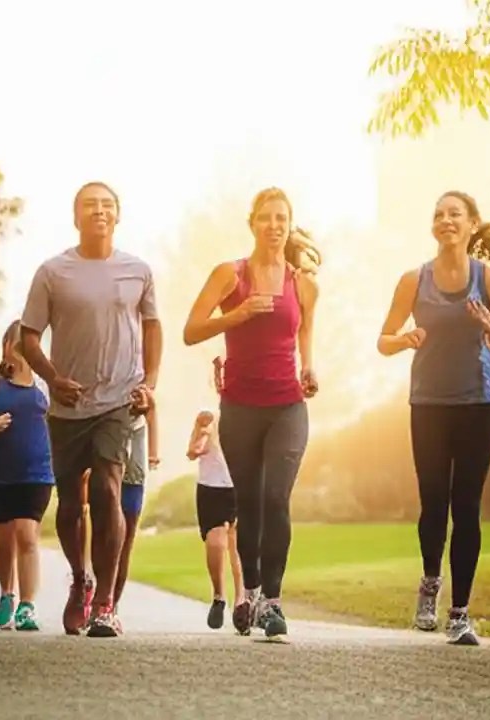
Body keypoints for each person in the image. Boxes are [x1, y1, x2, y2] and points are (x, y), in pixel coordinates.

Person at [376, 191, 490, 646]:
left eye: (454, 214)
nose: (445, 221)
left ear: (472, 225)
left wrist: (489, 329)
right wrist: (406, 339)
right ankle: (430, 583)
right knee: (434, 502)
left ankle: (460, 613)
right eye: (438, 214)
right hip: (430, 404)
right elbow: (384, 339)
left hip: (480, 404)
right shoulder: (412, 280)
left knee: (468, 506)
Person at [21, 181, 162, 638]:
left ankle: (105, 600)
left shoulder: (137, 270)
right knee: (68, 506)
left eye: (106, 205)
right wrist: (51, 378)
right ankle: (79, 578)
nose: (98, 212)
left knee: (107, 488)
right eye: (89, 206)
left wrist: (149, 384)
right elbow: (29, 336)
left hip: (117, 400)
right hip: (68, 405)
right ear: (75, 216)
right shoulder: (52, 271)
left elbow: (153, 326)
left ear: (118, 215)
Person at [183, 187, 320, 642]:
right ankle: (255, 590)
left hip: (287, 405)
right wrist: (237, 314)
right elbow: (191, 330)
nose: (275, 225)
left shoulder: (301, 282)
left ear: (289, 224)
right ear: (253, 224)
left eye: (282, 218)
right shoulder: (230, 274)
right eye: (266, 217)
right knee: (253, 504)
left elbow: (306, 335)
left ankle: (273, 603)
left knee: (277, 498)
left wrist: (309, 369)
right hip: (240, 408)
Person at [0, 320, 54, 631]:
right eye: (20, 341)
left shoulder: (45, 385)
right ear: (8, 346)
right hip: (0, 474)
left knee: (27, 535)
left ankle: (27, 605)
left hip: (37, 472)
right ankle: (6, 593)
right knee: (3, 542)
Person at [188, 357, 242, 631]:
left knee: (238, 545)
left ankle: (242, 601)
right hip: (210, 488)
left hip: (238, 485)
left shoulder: (247, 416)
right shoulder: (207, 417)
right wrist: (202, 435)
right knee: (216, 542)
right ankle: (220, 596)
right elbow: (192, 451)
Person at [111, 399, 160, 626]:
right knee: (106, 535)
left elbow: (151, 408)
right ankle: (91, 592)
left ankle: (110, 606)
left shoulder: (141, 376)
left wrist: (153, 453)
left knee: (126, 539)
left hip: (134, 470)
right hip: (107, 450)